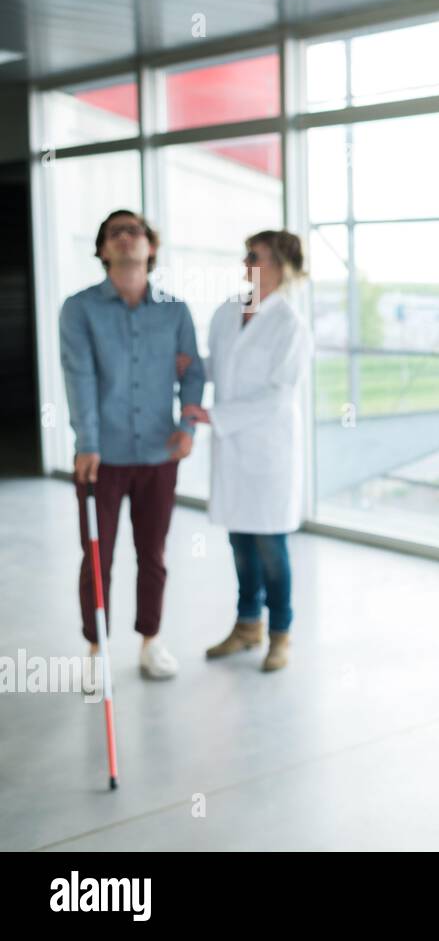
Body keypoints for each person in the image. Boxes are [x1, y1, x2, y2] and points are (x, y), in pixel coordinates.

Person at [60, 209, 204, 686]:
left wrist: (187, 425)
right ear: (102, 250)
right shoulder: (79, 310)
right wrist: (89, 443)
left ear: (151, 247)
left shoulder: (175, 311)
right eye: (114, 233)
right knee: (96, 556)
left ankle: (150, 640)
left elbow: (193, 372)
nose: (125, 238)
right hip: (101, 457)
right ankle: (96, 647)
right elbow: (80, 378)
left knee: (153, 553)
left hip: (159, 456)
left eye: (134, 231)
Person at [186, 230, 311, 672]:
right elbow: (214, 367)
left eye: (254, 257)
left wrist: (216, 417)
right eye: (245, 255)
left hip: (268, 451)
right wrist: (185, 368)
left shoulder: (289, 324)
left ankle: (281, 634)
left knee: (270, 547)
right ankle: (246, 626)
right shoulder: (226, 311)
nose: (245, 264)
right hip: (232, 451)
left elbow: (279, 395)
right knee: (239, 542)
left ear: (280, 265)